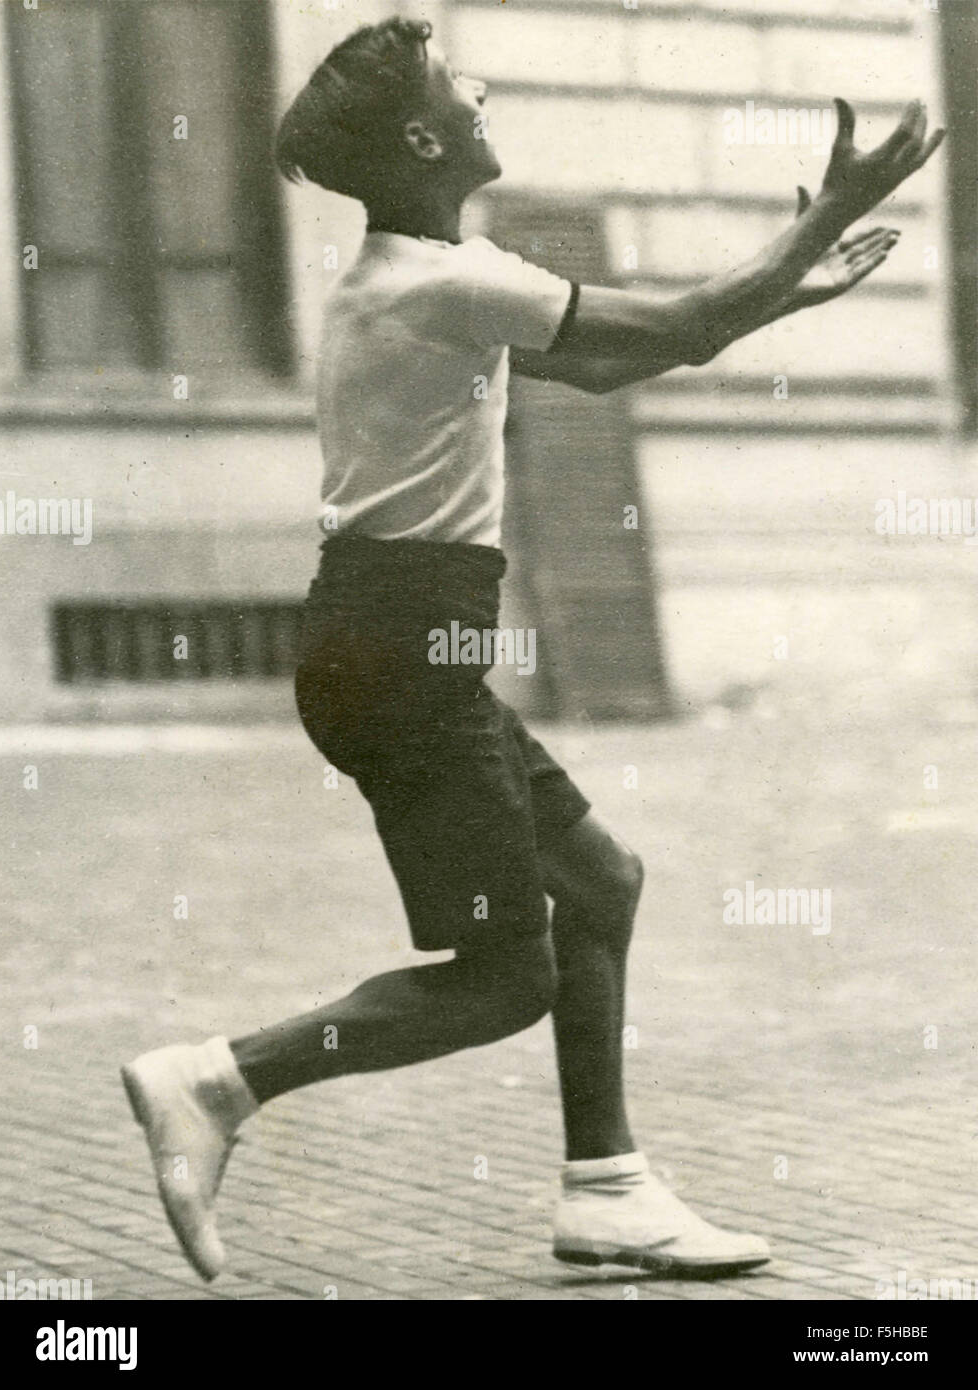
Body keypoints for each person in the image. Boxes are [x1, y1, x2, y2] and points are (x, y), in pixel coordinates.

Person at [122, 17, 943, 1284]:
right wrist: (809, 230)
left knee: (598, 883)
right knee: (506, 977)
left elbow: (625, 361)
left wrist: (786, 279)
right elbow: (672, 324)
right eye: (463, 87)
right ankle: (220, 1080)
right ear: (422, 137)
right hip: (396, 652)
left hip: (395, 643)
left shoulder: (432, 276)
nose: (482, 93)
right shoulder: (440, 284)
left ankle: (606, 1189)